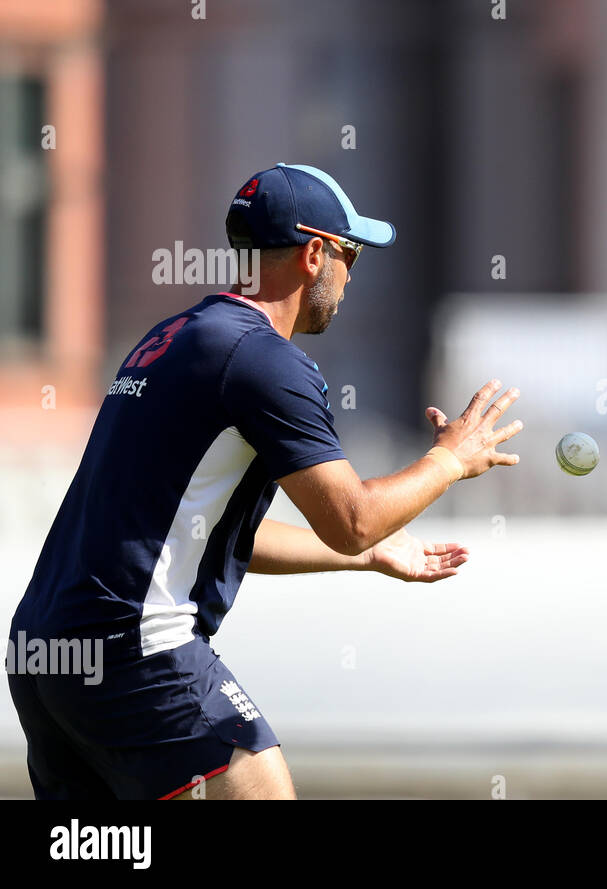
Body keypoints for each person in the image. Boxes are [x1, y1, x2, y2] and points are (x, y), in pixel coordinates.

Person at [6, 163, 523, 799]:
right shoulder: (264, 360)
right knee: (259, 780)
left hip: (45, 653)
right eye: (350, 255)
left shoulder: (173, 337)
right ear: (314, 254)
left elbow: (194, 530)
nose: (350, 277)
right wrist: (450, 458)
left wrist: (366, 555)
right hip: (132, 649)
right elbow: (350, 518)